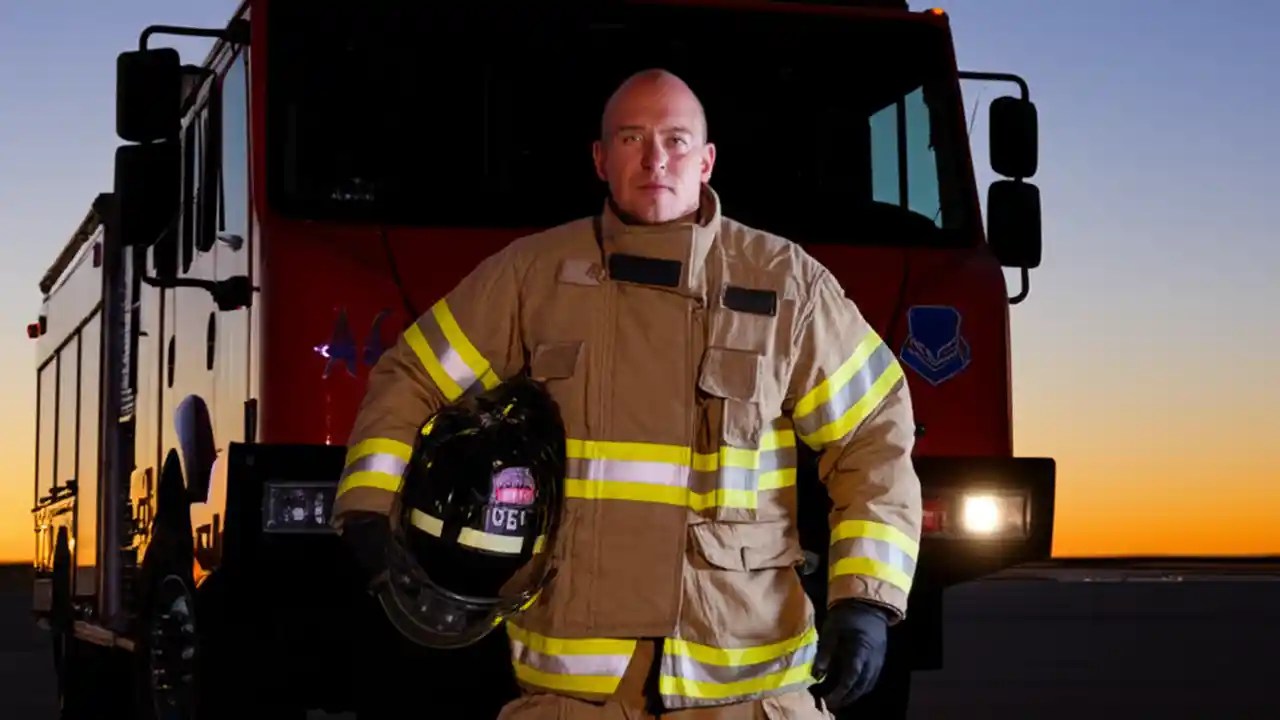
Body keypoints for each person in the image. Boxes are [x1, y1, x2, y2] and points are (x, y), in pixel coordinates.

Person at [333, 68, 923, 719]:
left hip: (746, 689)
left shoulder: (789, 286)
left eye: (675, 140)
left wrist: (865, 600)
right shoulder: (533, 275)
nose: (654, 159)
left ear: (706, 161)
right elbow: (412, 375)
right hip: (574, 694)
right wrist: (370, 508)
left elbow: (872, 435)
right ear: (600, 158)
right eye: (631, 138)